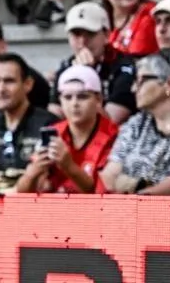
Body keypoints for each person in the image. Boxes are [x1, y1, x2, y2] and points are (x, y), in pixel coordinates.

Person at [15, 64, 115, 193]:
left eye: (83, 96)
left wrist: (68, 166)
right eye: (68, 97)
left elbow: (103, 194)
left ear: (98, 99)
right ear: (60, 101)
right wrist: (34, 172)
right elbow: (22, 194)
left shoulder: (114, 137)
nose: (74, 104)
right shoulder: (53, 133)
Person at [0, 53, 60, 194]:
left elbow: (48, 184)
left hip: (34, 209)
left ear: (28, 84)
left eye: (9, 81)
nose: (1, 89)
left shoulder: (48, 124)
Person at [99, 54, 170, 194]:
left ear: (168, 84)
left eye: (141, 80)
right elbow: (108, 177)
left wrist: (136, 189)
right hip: (129, 210)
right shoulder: (136, 124)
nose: (133, 89)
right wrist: (144, 189)